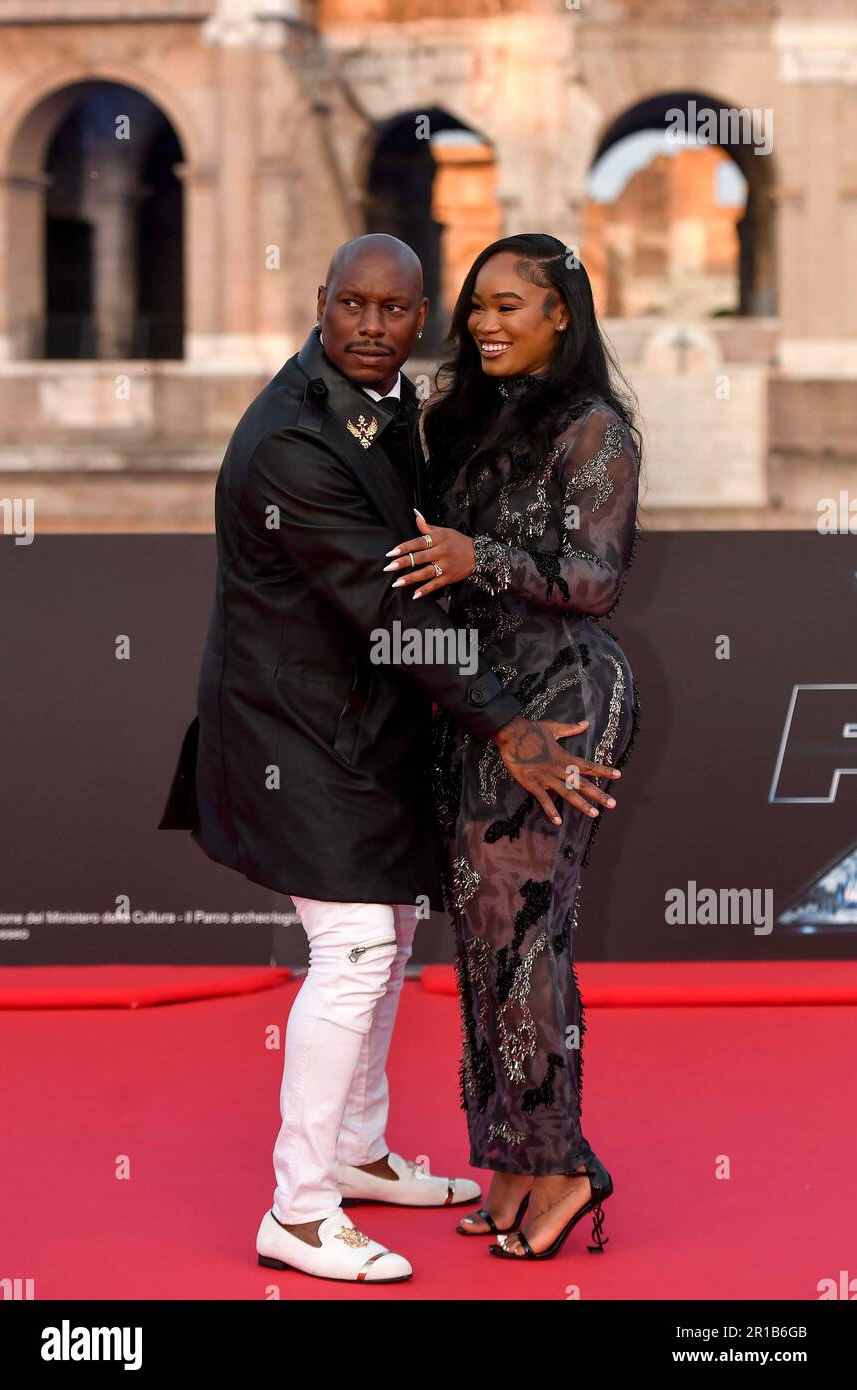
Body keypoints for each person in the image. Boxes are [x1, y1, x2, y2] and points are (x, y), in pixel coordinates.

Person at [158, 233, 619, 1283]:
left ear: (421, 320)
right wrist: (509, 725)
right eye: (351, 306)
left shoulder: (387, 406)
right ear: (320, 304)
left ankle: (360, 1154)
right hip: (293, 736)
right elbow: (387, 612)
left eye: (394, 309)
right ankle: (301, 1207)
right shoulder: (293, 442)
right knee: (359, 948)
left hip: (363, 731)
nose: (372, 326)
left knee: (395, 926)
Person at [381, 233, 641, 1262]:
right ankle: (515, 1163)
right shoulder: (464, 417)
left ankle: (564, 1162)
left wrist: (472, 553)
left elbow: (593, 576)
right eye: (475, 305)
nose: (483, 322)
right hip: (483, 702)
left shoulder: (593, 429)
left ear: (560, 315)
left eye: (509, 305)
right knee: (488, 940)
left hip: (564, 698)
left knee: (529, 932)